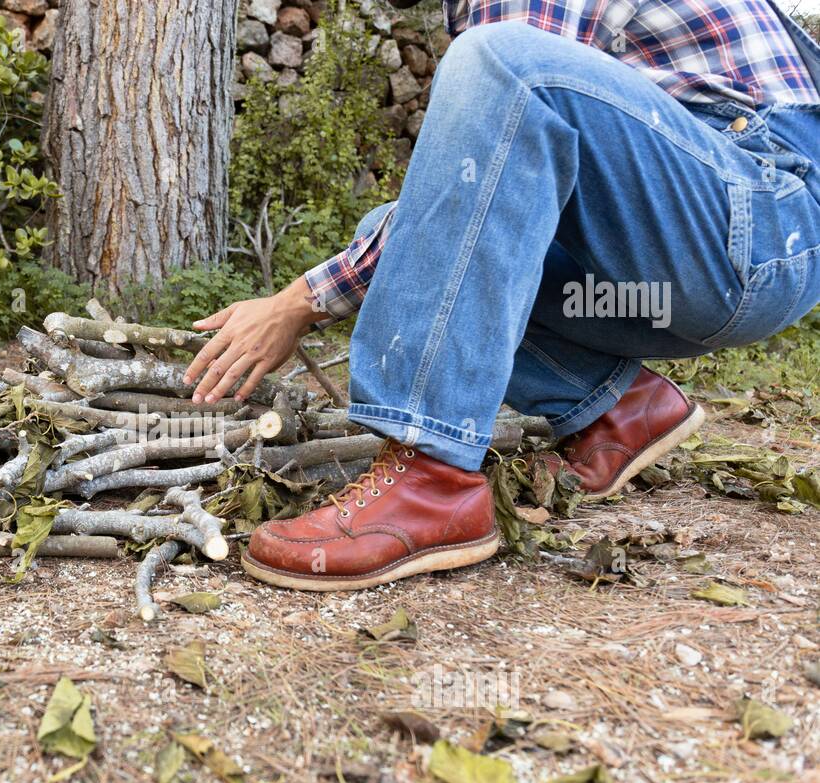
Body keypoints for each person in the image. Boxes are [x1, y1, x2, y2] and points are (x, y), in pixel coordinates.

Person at [183, 0, 820, 591]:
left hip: (758, 224)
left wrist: (299, 301)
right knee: (397, 236)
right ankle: (618, 406)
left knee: (503, 62)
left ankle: (431, 480)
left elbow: (513, 100)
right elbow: (462, 214)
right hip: (668, 276)